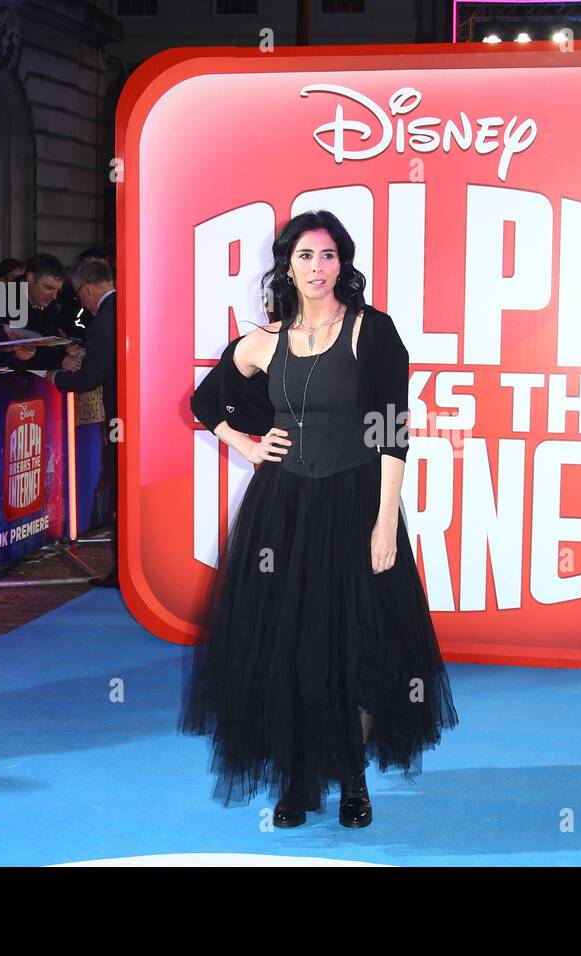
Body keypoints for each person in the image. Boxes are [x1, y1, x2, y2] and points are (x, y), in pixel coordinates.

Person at [182, 210, 457, 829]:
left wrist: (385, 522)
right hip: (281, 512)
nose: (316, 267)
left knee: (355, 645)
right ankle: (297, 777)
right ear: (287, 265)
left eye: (328, 255)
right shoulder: (263, 340)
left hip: (356, 503)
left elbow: (392, 429)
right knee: (287, 647)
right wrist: (247, 444)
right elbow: (205, 401)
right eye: (305, 256)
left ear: (344, 264)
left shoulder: (371, 331)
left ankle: (354, 779)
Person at [42, 258, 117, 587]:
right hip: (135, 415)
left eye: (79, 295)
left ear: (88, 289)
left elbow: (90, 379)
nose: (81, 304)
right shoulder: (129, 307)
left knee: (118, 489)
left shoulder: (102, 322)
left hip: (119, 419)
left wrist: (55, 377)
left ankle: (121, 570)